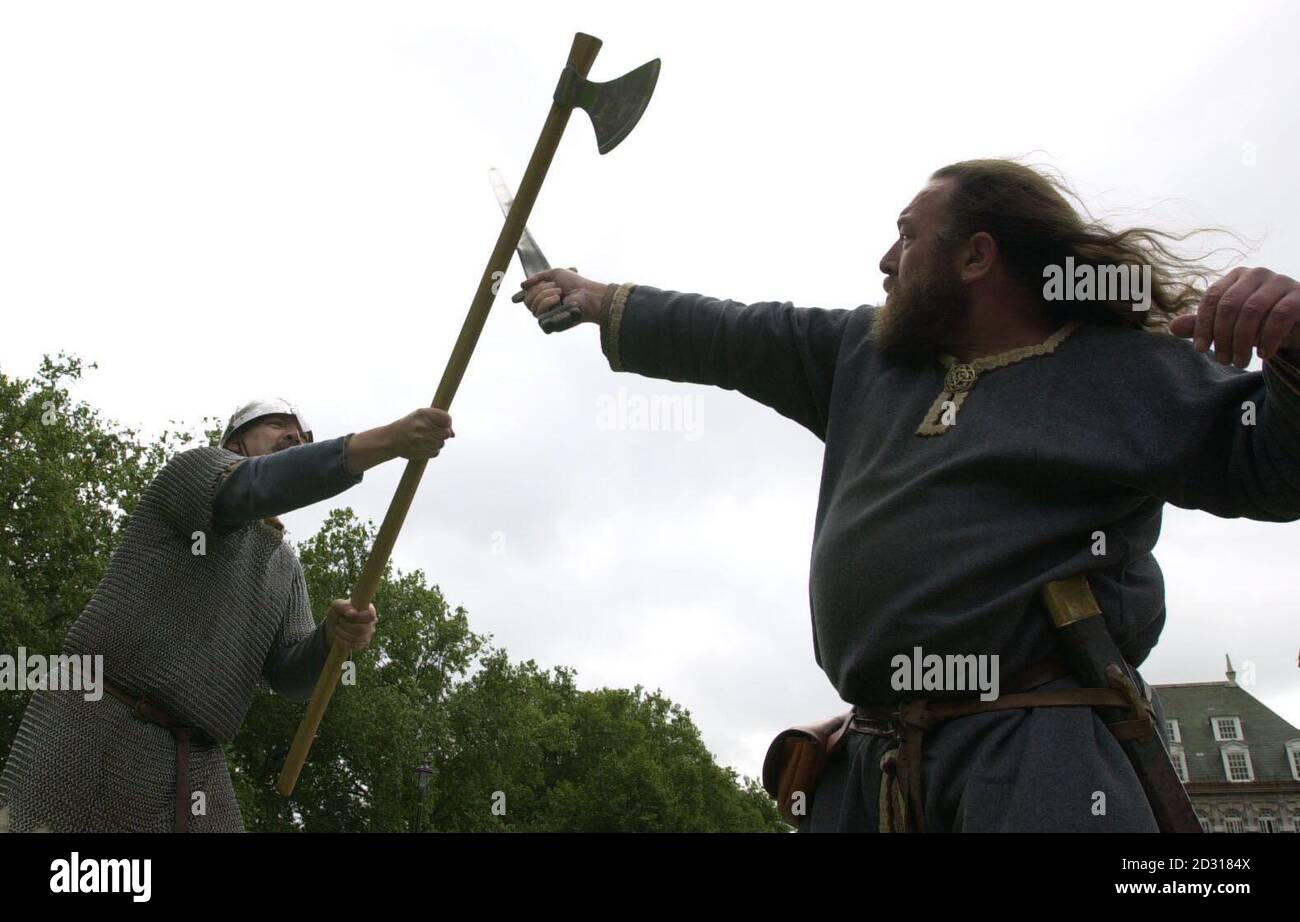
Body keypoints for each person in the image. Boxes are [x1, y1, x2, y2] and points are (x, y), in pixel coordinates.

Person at [513, 159, 1300, 832]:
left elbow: (1275, 468)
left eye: (907, 234)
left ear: (975, 256)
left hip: (1039, 758)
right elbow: (730, 331)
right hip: (869, 765)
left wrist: (1295, 350)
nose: (886, 260)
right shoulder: (864, 357)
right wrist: (598, 297)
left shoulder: (1128, 369)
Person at [0, 398, 454, 832]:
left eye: (302, 434)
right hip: (96, 723)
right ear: (235, 443)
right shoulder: (193, 475)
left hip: (195, 758)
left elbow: (290, 679)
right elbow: (255, 485)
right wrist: (390, 441)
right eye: (277, 425)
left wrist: (331, 640)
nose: (294, 436)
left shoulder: (284, 566)